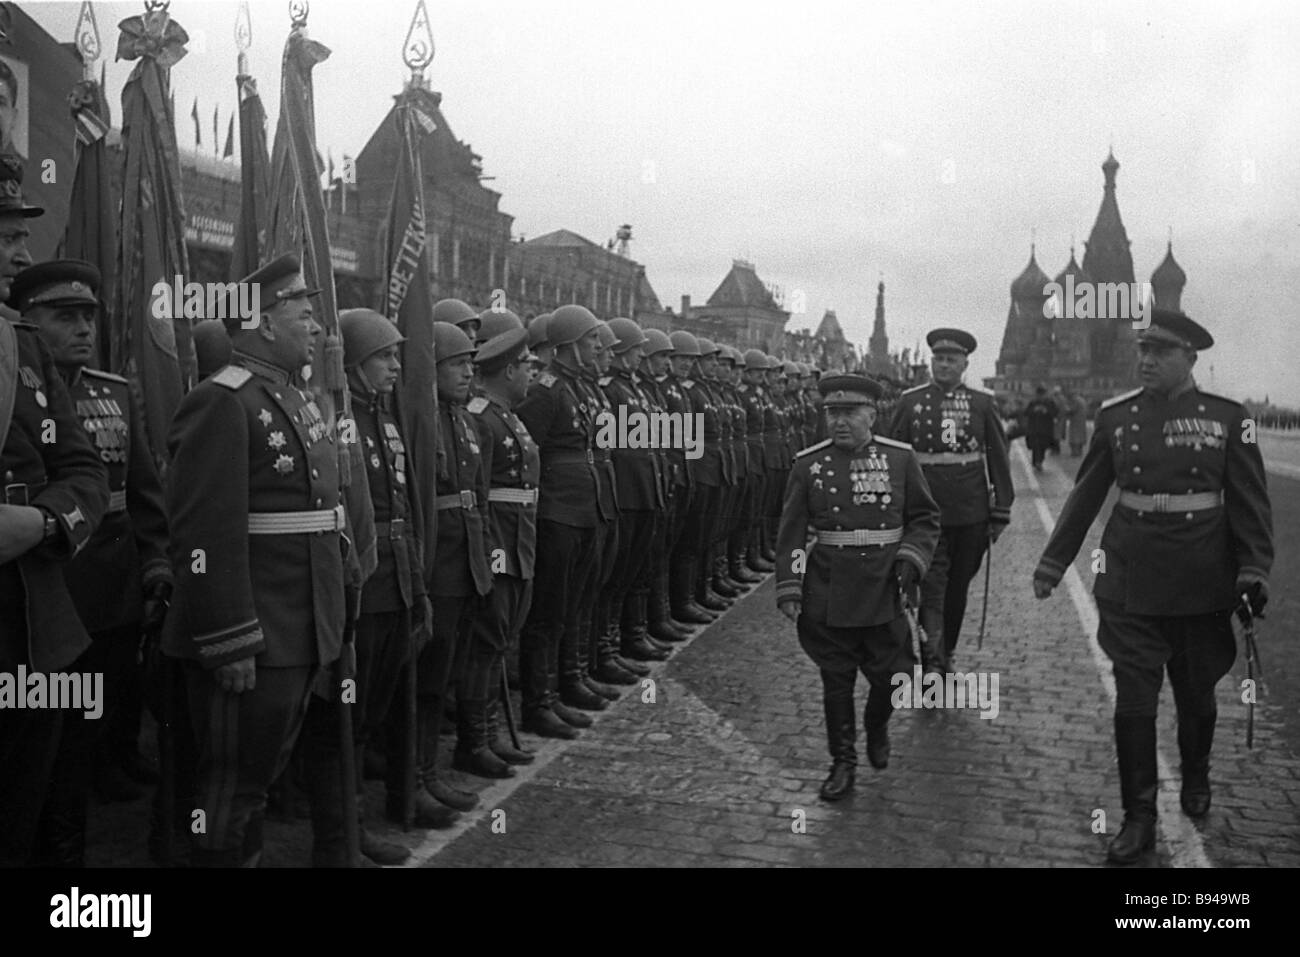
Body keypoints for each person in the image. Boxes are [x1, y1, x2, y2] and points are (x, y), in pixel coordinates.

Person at [1032, 308, 1272, 865]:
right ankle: (1138, 816)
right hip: (1129, 578)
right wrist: (1053, 562)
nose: (1146, 360)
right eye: (1143, 350)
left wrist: (1254, 568)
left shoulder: (1229, 417)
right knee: (1134, 701)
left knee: (1196, 695)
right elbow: (1087, 494)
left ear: (1190, 357)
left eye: (1160, 352)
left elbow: (1250, 502)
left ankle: (1196, 773)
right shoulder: (1116, 416)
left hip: (1201, 580)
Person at [162, 253, 345, 867]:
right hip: (255, 632)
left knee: (255, 784)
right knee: (227, 790)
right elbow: (204, 534)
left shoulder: (287, 396)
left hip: (296, 624)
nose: (316, 327)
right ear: (265, 322)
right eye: (303, 313)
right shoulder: (224, 401)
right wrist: (230, 637)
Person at [15, 260, 171, 863]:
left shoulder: (115, 392)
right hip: (39, 594)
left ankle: (67, 848)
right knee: (34, 744)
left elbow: (144, 495)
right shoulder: (17, 392)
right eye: (66, 317)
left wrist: (156, 566)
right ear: (28, 323)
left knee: (82, 737)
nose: (84, 329)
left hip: (107, 598)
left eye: (88, 317)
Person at [0, 159, 110, 866]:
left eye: (21, 236)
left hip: (30, 623)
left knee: (20, 811)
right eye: (7, 237)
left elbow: (83, 470)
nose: (21, 254)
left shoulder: (26, 348)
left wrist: (41, 522)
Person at [776, 375, 940, 801]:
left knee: (895, 678)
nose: (839, 422)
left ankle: (876, 723)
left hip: (885, 587)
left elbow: (925, 519)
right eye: (833, 413)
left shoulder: (900, 459)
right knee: (836, 681)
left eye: (849, 413)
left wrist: (911, 558)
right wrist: (790, 585)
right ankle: (842, 761)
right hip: (829, 589)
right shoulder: (808, 465)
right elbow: (792, 534)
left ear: (872, 415)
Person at [338, 307, 438, 849]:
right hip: (366, 584)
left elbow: (403, 507)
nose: (396, 366)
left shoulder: (386, 420)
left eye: (397, 355)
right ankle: (347, 831)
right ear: (354, 363)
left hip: (396, 576)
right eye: (383, 357)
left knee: (376, 705)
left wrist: (416, 586)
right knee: (351, 712)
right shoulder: (342, 422)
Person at [887, 329, 1014, 674]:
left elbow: (998, 457)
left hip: (970, 511)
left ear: (964, 364)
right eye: (938, 359)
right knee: (933, 588)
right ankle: (934, 661)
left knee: (957, 587)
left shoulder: (982, 403)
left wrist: (1001, 508)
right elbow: (893, 457)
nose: (943, 365)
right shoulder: (910, 402)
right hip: (924, 512)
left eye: (951, 360)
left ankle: (948, 650)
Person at [514, 305, 607, 738]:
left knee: (571, 604)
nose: (598, 346)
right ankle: (538, 702)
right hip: (557, 513)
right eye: (591, 339)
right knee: (548, 612)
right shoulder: (547, 391)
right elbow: (527, 451)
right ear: (569, 343)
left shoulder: (580, 387)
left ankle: (563, 686)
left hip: (584, 509)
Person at [468, 322, 541, 769]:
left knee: (501, 639)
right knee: (487, 640)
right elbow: (478, 493)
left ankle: (490, 732)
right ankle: (476, 740)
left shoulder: (509, 415)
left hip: (518, 539)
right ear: (509, 370)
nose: (532, 372)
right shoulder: (482, 418)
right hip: (497, 540)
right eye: (526, 365)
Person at [1024, 386, 1058, 471]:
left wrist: (1046, 411)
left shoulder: (1050, 402)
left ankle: (1039, 461)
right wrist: (1034, 410)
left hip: (1045, 430)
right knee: (1036, 447)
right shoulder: (1033, 403)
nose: (1040, 397)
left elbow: (1055, 412)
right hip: (1034, 429)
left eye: (1042, 395)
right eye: (1039, 395)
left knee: (1043, 446)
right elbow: (1026, 412)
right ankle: (1037, 462)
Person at [1067, 391, 1089, 456]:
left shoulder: (1075, 400)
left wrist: (1066, 409)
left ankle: (1075, 452)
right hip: (1082, 420)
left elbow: (1072, 409)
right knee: (1081, 437)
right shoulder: (1082, 400)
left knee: (1075, 437)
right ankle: (1079, 452)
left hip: (1075, 421)